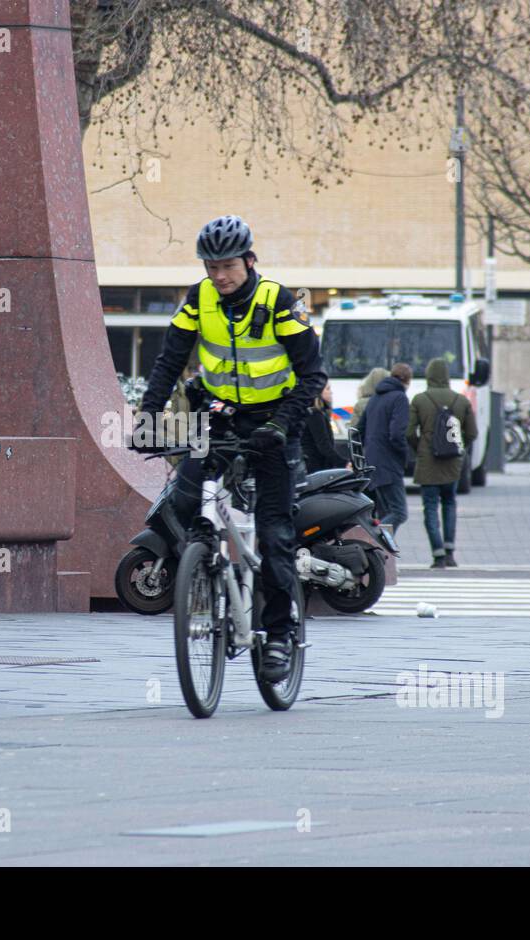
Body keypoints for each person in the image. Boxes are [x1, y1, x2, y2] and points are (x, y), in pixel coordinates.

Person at [132, 215, 326, 682]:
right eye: (211, 266)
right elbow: (169, 359)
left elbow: (313, 376)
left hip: (277, 422)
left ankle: (278, 634)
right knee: (182, 499)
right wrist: (147, 414)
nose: (219, 276)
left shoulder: (279, 301)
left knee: (276, 534)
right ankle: (202, 568)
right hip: (221, 417)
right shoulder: (198, 300)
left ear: (250, 261)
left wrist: (281, 423)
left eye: (228, 266)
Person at [407, 357, 478, 569]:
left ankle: (437, 555)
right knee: (449, 504)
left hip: (428, 462)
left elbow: (409, 432)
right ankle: (450, 552)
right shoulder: (461, 401)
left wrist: (421, 448)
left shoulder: (420, 399)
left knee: (429, 507)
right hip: (452, 463)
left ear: (429, 375)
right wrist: (459, 448)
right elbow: (472, 433)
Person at [358, 361, 410, 533]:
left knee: (385, 511)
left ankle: (383, 556)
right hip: (389, 463)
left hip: (372, 461)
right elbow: (396, 433)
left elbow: (359, 429)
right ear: (407, 380)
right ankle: (376, 539)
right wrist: (404, 455)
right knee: (399, 512)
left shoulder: (375, 397)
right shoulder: (399, 398)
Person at [301, 383, 348, 473]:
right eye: (328, 389)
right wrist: (344, 463)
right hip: (315, 466)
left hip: (314, 465)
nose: (331, 392)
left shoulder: (317, 412)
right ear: (318, 392)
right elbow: (324, 445)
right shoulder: (315, 414)